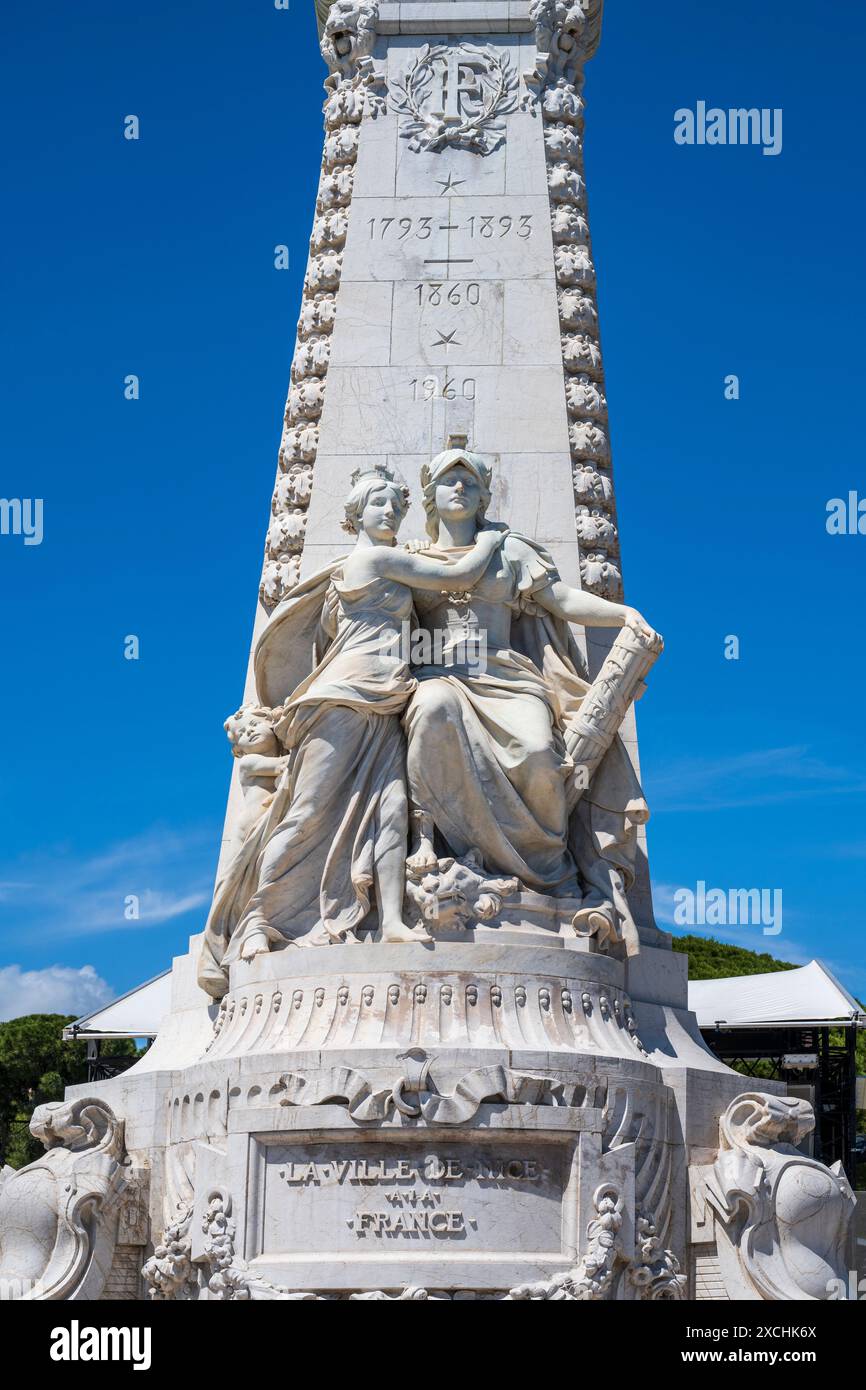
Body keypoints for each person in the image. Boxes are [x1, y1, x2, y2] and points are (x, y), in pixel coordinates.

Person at [197, 466, 503, 998]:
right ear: (356, 514)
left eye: (395, 506)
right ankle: (256, 922)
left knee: (390, 813)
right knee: (307, 811)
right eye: (378, 504)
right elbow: (459, 578)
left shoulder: (384, 567)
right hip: (341, 701)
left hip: (386, 704)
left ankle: (389, 922)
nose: (390, 513)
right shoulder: (370, 559)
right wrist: (492, 540)